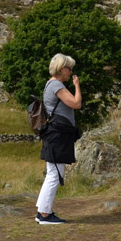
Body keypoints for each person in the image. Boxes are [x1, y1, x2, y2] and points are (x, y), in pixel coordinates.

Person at [35, 53, 82, 225]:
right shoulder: (56, 85)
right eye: (69, 68)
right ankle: (45, 214)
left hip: (54, 133)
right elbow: (76, 103)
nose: (71, 72)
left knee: (52, 173)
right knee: (55, 174)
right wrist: (77, 86)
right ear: (62, 68)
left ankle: (42, 210)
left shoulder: (51, 83)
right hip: (58, 134)